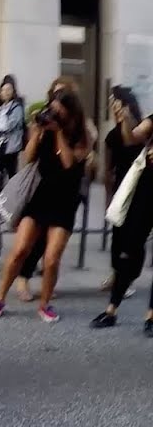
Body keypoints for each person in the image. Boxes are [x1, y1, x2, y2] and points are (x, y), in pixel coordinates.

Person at [0, 88, 92, 322]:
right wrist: (37, 132)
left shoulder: (82, 134)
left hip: (65, 201)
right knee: (20, 250)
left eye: (59, 109)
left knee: (52, 258)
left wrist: (59, 133)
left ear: (70, 111)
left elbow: (68, 163)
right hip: (40, 197)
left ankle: (45, 304)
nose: (54, 112)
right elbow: (29, 157)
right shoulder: (44, 126)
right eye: (52, 107)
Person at [13, 77, 98, 302]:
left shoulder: (80, 125)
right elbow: (29, 156)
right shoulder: (44, 118)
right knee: (32, 240)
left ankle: (46, 282)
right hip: (44, 189)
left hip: (69, 192)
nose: (56, 102)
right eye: (54, 95)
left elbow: (83, 153)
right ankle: (23, 277)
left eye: (63, 95)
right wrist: (38, 130)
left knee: (51, 247)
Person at [91, 93, 153, 336]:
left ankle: (150, 316)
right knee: (129, 252)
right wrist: (126, 116)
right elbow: (134, 136)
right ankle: (111, 310)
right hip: (146, 192)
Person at [99, 85, 144, 299]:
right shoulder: (111, 136)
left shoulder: (140, 129)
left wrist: (125, 117)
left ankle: (126, 277)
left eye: (116, 102)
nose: (113, 107)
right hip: (121, 191)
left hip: (141, 189)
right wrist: (108, 198)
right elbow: (107, 170)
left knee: (133, 239)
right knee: (117, 237)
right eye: (111, 104)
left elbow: (130, 139)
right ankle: (117, 274)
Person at [0, 75, 26, 201]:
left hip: (11, 147)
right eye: (3, 90)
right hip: (0, 145)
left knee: (11, 175)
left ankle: (13, 200)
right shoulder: (0, 108)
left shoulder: (17, 107)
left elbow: (10, 125)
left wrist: (0, 128)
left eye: (9, 89)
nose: (6, 92)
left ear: (13, 91)